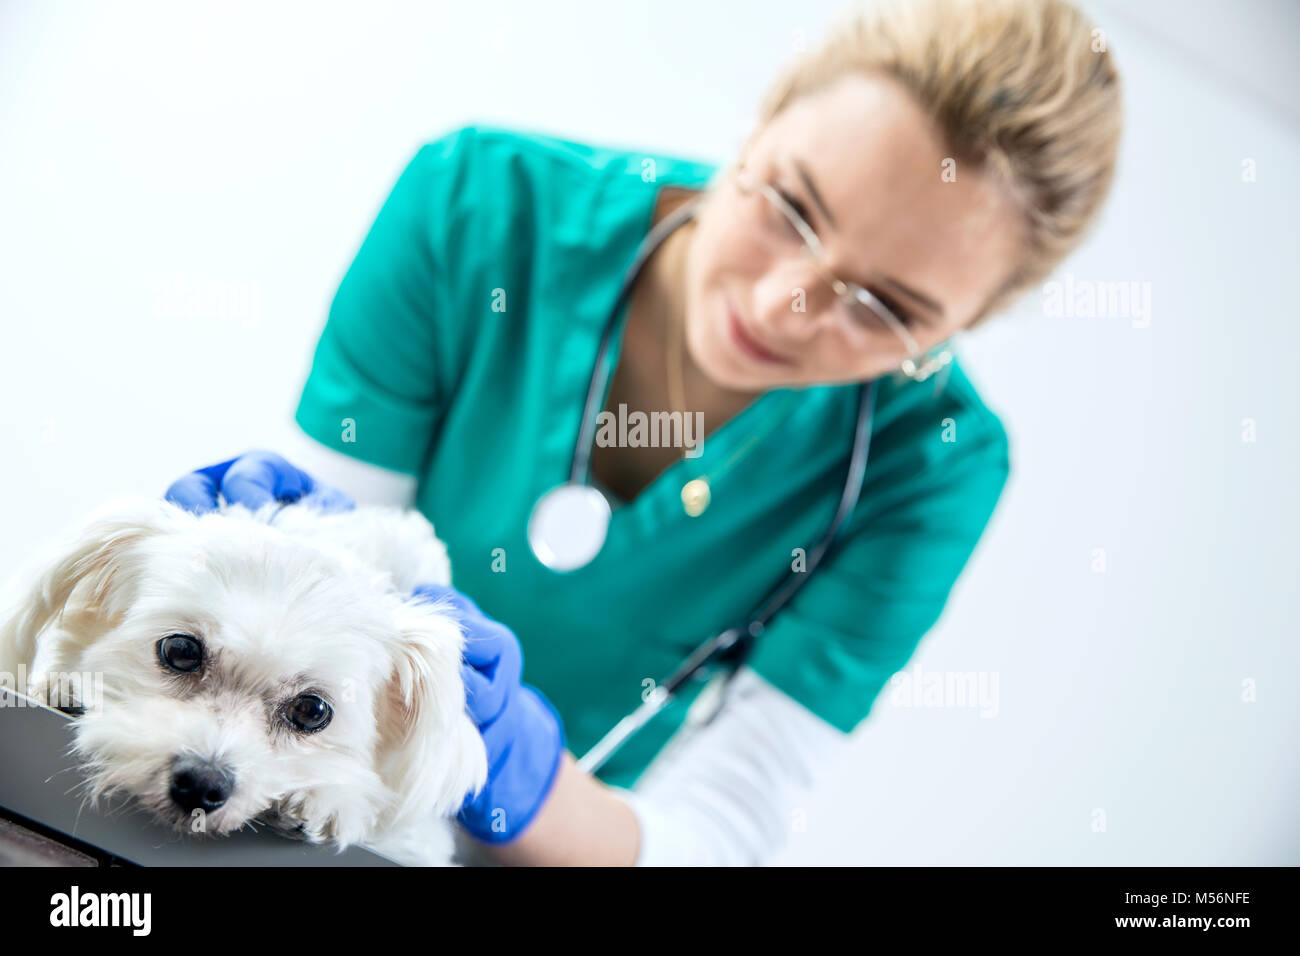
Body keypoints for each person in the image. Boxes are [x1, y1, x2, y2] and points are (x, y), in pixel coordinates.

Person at [165, 0, 1123, 865]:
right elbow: (315, 601)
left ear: (962, 327)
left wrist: (522, 778)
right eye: (789, 205)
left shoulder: (934, 464)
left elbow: (722, 830)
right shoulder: (478, 210)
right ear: (764, 116)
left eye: (883, 307)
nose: (785, 304)